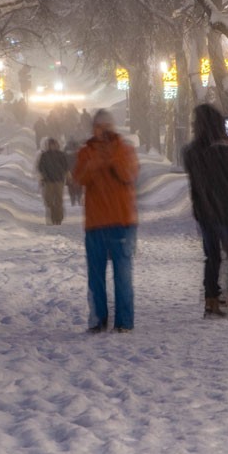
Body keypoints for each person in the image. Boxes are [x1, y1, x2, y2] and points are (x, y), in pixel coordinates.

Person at [183, 103, 228, 317]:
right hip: (227, 209)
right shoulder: (224, 150)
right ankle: (224, 294)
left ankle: (211, 300)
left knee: (211, 256)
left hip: (204, 210)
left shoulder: (192, 152)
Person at [73, 109, 139, 333]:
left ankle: (124, 322)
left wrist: (111, 158)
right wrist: (94, 164)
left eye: (106, 126)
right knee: (96, 276)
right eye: (99, 127)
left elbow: (129, 175)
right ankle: (98, 319)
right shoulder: (86, 152)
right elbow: (79, 178)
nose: (103, 131)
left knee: (123, 275)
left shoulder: (124, 149)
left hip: (122, 221)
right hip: (96, 223)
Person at [37, 137, 69, 225]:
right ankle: (52, 216)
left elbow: (66, 167)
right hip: (48, 181)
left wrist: (67, 176)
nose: (52, 146)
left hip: (59, 180)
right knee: (48, 201)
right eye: (51, 145)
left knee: (59, 201)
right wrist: (43, 176)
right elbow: (40, 167)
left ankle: (58, 218)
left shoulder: (61, 155)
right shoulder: (44, 155)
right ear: (48, 145)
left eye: (54, 144)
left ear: (57, 145)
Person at [64, 137, 83, 206]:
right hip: (74, 170)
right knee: (76, 185)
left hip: (73, 170)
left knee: (73, 185)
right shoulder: (78, 148)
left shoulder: (66, 148)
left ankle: (75, 199)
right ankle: (76, 198)